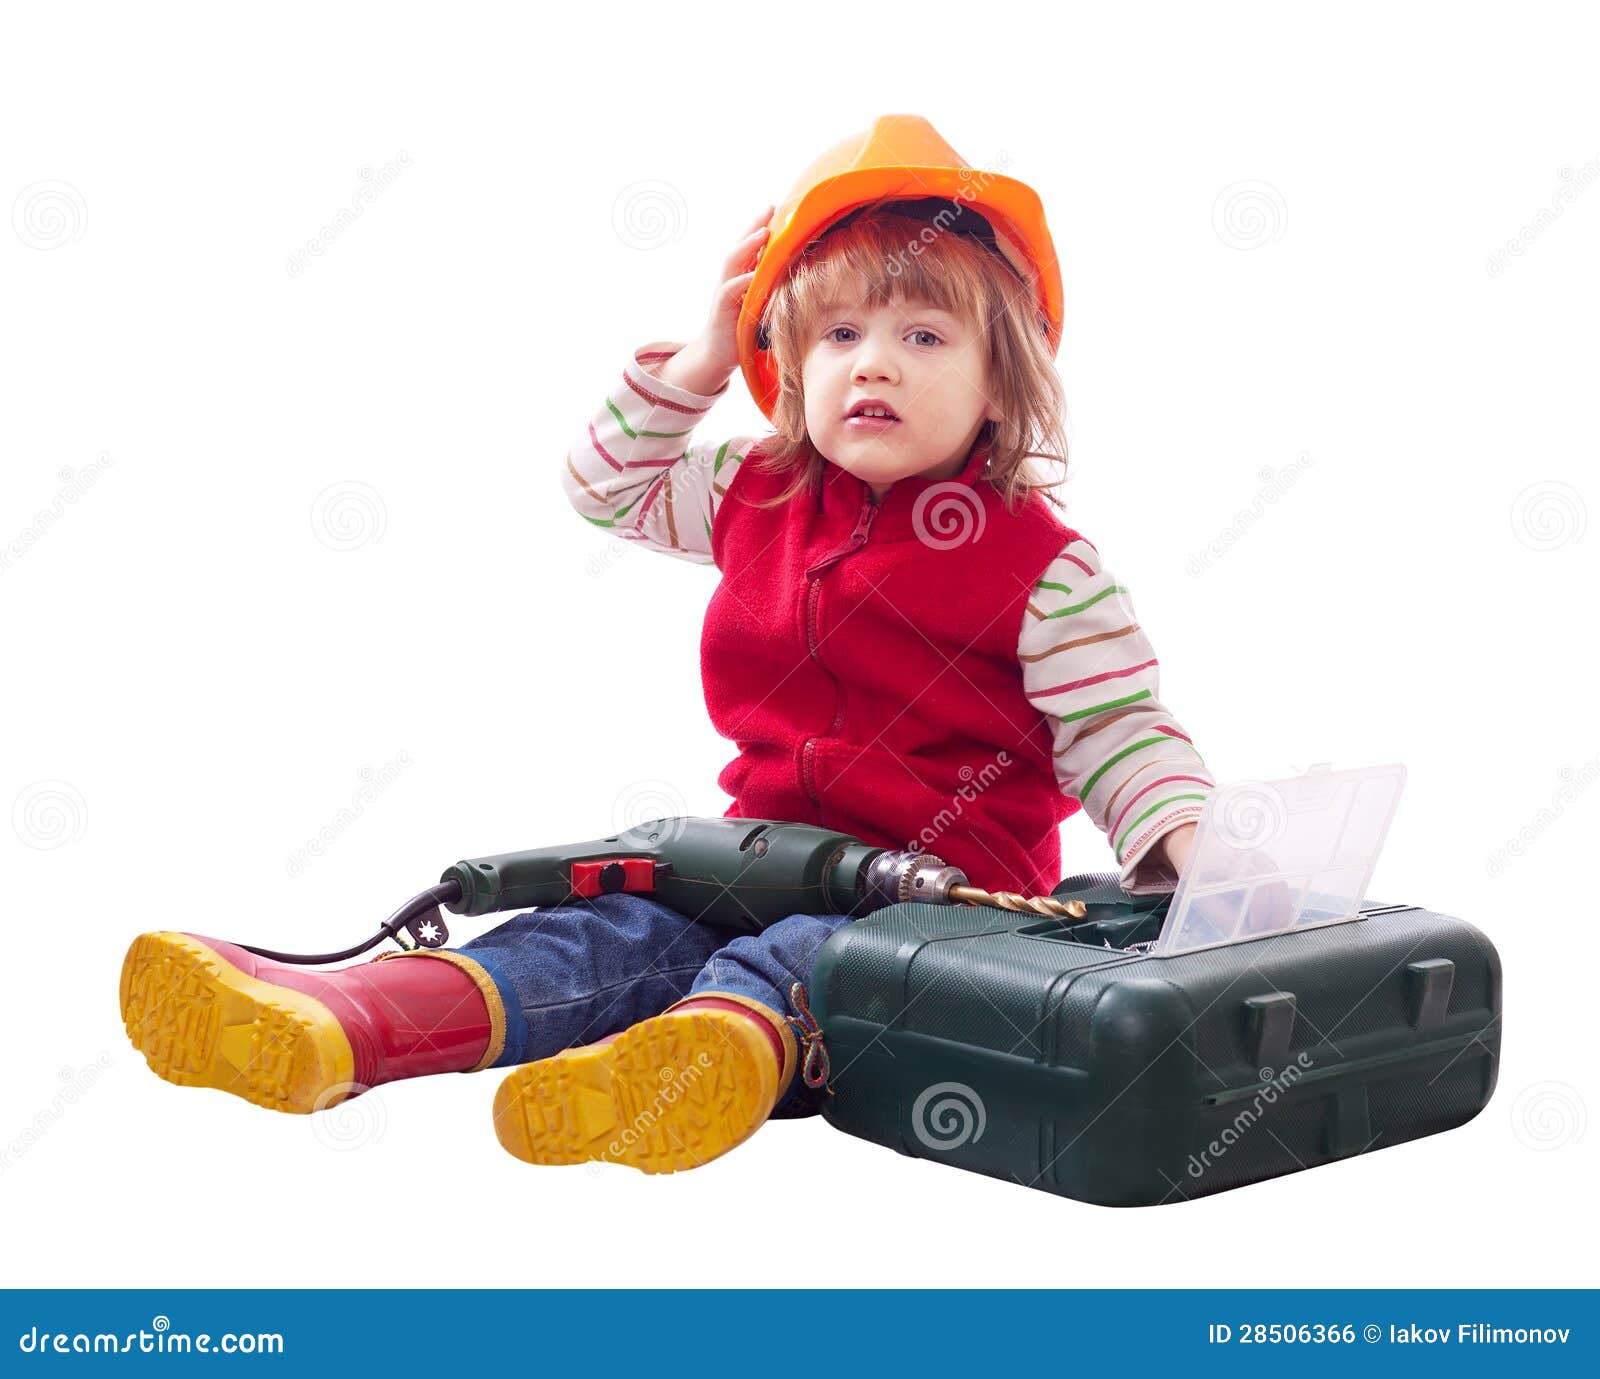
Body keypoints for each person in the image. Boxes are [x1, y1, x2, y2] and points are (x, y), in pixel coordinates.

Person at [118, 115, 1215, 1175]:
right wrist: (697, 358)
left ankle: (704, 1057)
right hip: (755, 857)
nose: (870, 364)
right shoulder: (758, 489)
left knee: (798, 966)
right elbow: (603, 487)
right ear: (784, 359)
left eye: (922, 336)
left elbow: (1118, 729)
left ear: (1000, 381)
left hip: (945, 903)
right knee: (605, 930)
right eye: (837, 335)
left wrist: (1180, 845)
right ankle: (353, 1023)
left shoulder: (1045, 568)